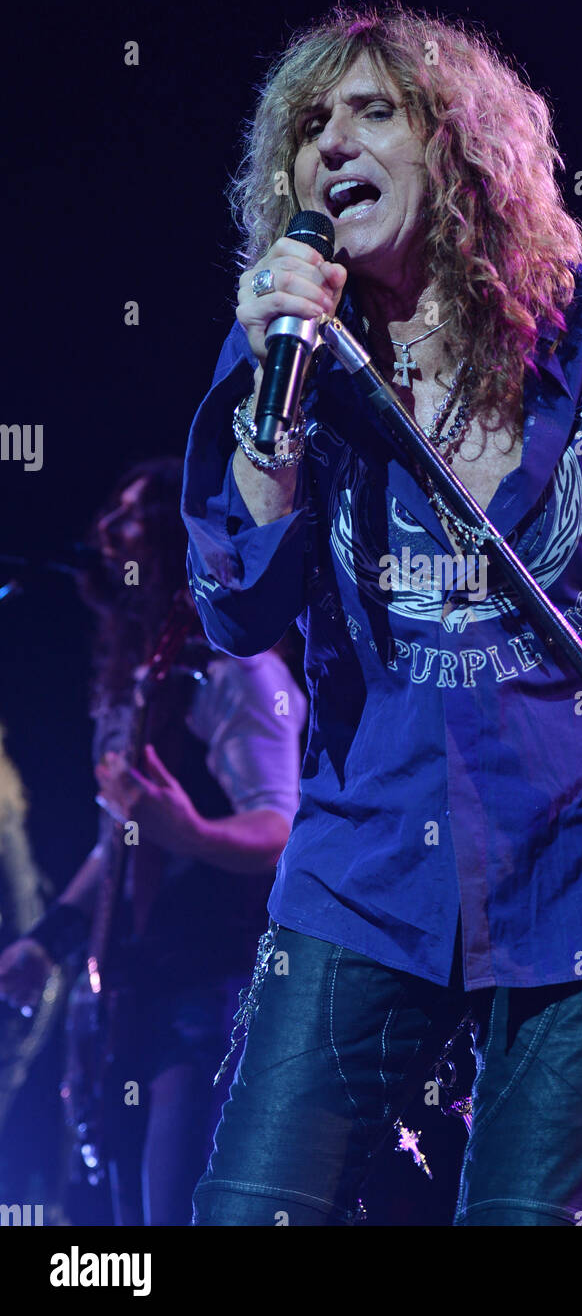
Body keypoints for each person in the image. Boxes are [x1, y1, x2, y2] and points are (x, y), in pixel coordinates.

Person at [181, 1, 582, 1227]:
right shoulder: (283, 358)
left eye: (372, 113)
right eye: (308, 126)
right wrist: (273, 403)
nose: (331, 146)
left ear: (460, 148)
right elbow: (238, 612)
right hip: (360, 879)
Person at [0, 459, 307, 1225]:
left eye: (134, 517)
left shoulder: (237, 673)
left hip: (214, 982)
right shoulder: (135, 681)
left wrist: (193, 831)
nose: (108, 532)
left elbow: (282, 827)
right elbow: (121, 844)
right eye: (111, 512)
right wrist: (47, 942)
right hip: (136, 994)